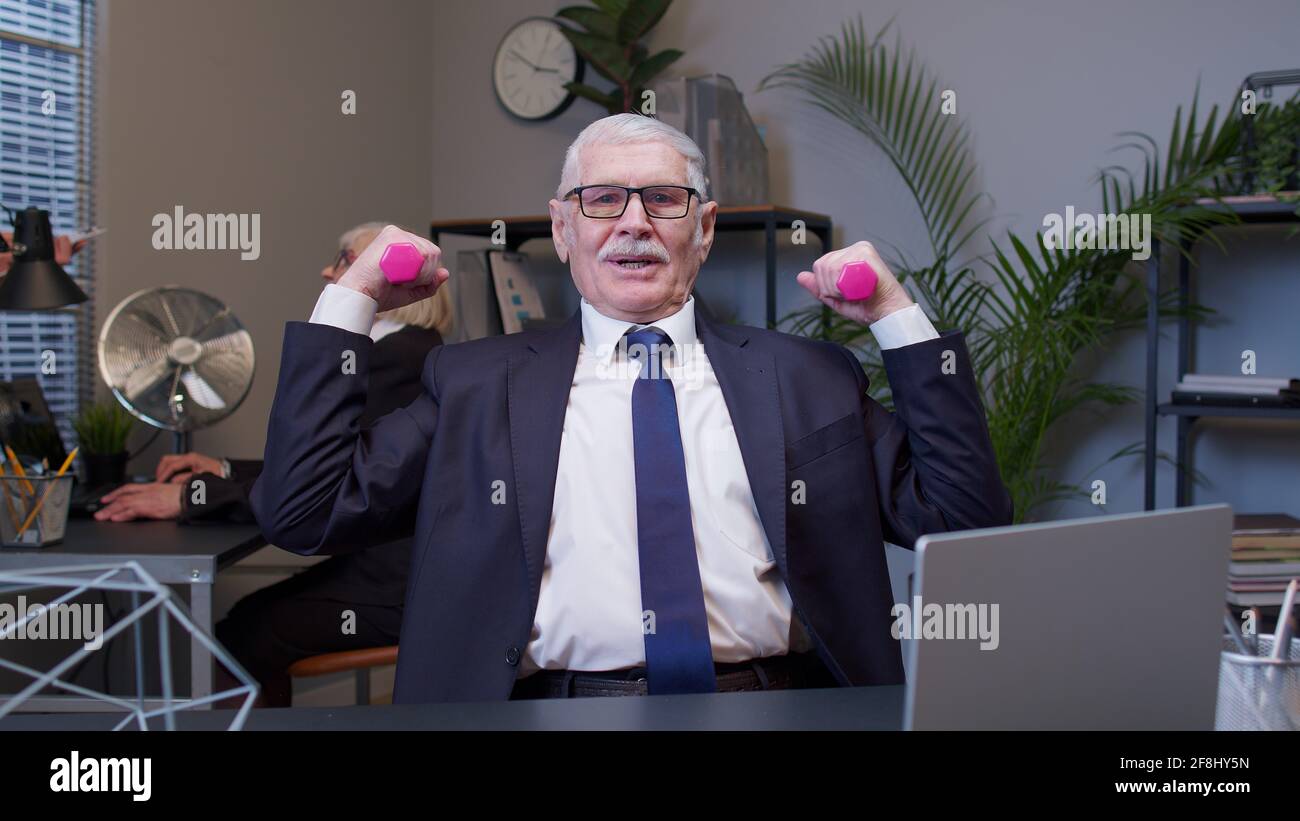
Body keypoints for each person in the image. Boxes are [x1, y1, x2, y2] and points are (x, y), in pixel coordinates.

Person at [253, 113, 1014, 705]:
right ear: (562, 228)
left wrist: (895, 316)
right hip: (544, 711)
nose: (633, 221)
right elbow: (304, 511)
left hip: (776, 707)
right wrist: (349, 300)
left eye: (663, 199)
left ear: (704, 228)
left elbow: (964, 518)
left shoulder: (808, 374)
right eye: (602, 199)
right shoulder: (472, 384)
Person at [96, 222, 452, 707]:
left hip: (395, 586)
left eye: (345, 260)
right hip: (391, 571)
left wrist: (187, 497)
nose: (328, 271)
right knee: (244, 624)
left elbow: (319, 487)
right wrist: (221, 469)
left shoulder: (398, 360)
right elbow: (331, 464)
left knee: (244, 633)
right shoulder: (412, 351)